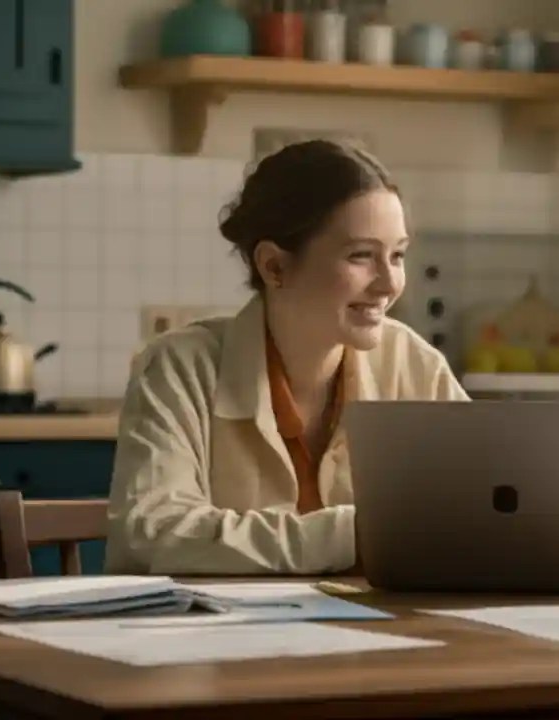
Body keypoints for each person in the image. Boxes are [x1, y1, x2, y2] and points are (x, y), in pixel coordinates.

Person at [105, 140, 467, 575]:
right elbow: (156, 533)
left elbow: (481, 511)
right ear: (274, 266)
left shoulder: (415, 364)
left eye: (397, 255)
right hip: (216, 638)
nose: (389, 283)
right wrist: (359, 534)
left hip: (378, 635)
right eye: (361, 256)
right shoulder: (179, 368)